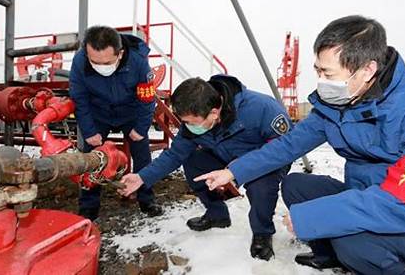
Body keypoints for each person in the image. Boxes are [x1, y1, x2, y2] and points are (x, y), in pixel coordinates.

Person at [195, 15, 405, 274]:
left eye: (328, 73)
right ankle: (332, 256)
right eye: (318, 70)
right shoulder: (339, 102)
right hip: (366, 197)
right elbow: (287, 146)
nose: (321, 80)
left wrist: (312, 218)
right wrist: (233, 171)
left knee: (350, 240)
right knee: (297, 186)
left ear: (367, 70)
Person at [119, 75, 292, 260]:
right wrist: (141, 177)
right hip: (225, 157)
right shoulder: (195, 120)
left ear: (214, 113)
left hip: (265, 161)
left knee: (260, 187)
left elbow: (282, 148)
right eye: (184, 122)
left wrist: (240, 167)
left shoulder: (262, 108)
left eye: (192, 123)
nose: (188, 127)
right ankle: (217, 214)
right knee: (194, 160)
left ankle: (262, 233)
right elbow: (174, 154)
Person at [69, 25, 162, 220]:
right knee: (91, 159)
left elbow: (147, 98)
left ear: (120, 54)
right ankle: (88, 206)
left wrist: (141, 127)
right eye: (95, 62)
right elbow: (79, 98)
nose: (101, 67)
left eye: (107, 62)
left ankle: (147, 199)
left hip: (131, 112)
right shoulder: (79, 61)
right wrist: (89, 130)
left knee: (142, 154)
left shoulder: (138, 62)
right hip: (99, 113)